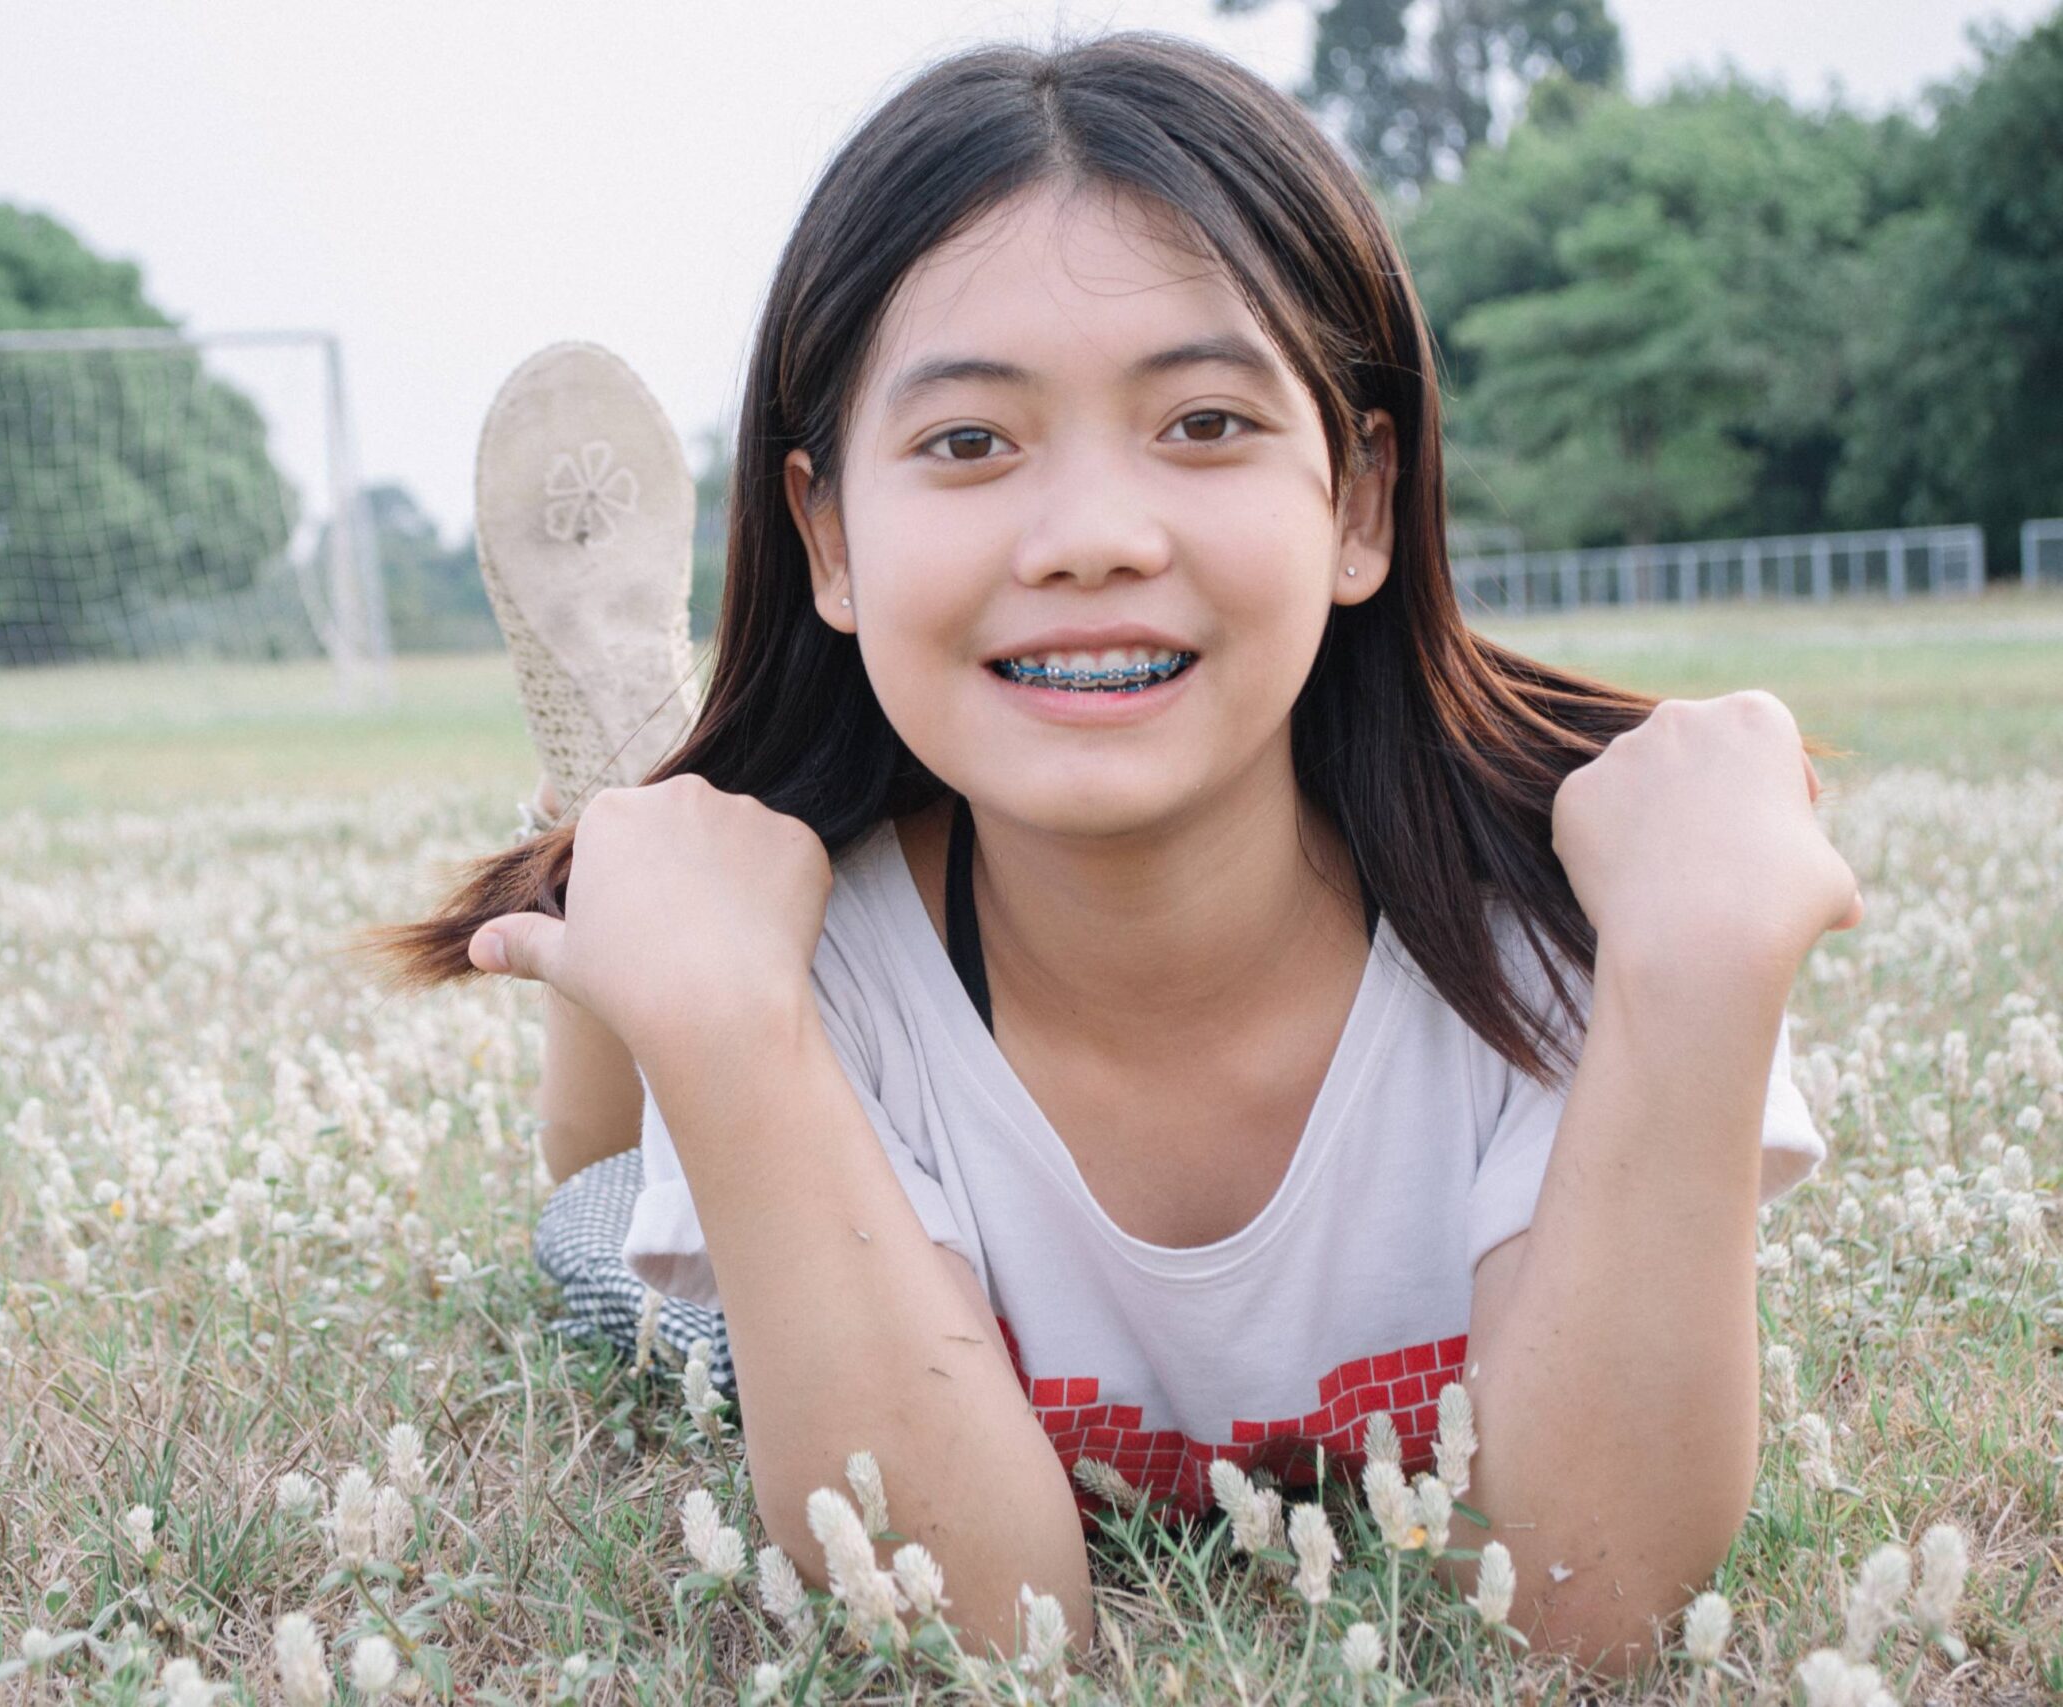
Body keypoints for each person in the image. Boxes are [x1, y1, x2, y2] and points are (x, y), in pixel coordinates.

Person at [358, 29, 1864, 1680]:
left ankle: (648, 826)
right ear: (828, 538)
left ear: (1362, 494)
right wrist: (719, 1026)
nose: (1093, 537)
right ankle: (639, 833)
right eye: (969, 444)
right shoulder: (818, 969)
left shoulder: (1586, 910)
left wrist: (1707, 969)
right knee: (598, 1249)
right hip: (786, 1121)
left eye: (1206, 422)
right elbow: (990, 1636)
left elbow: (1591, 1605)